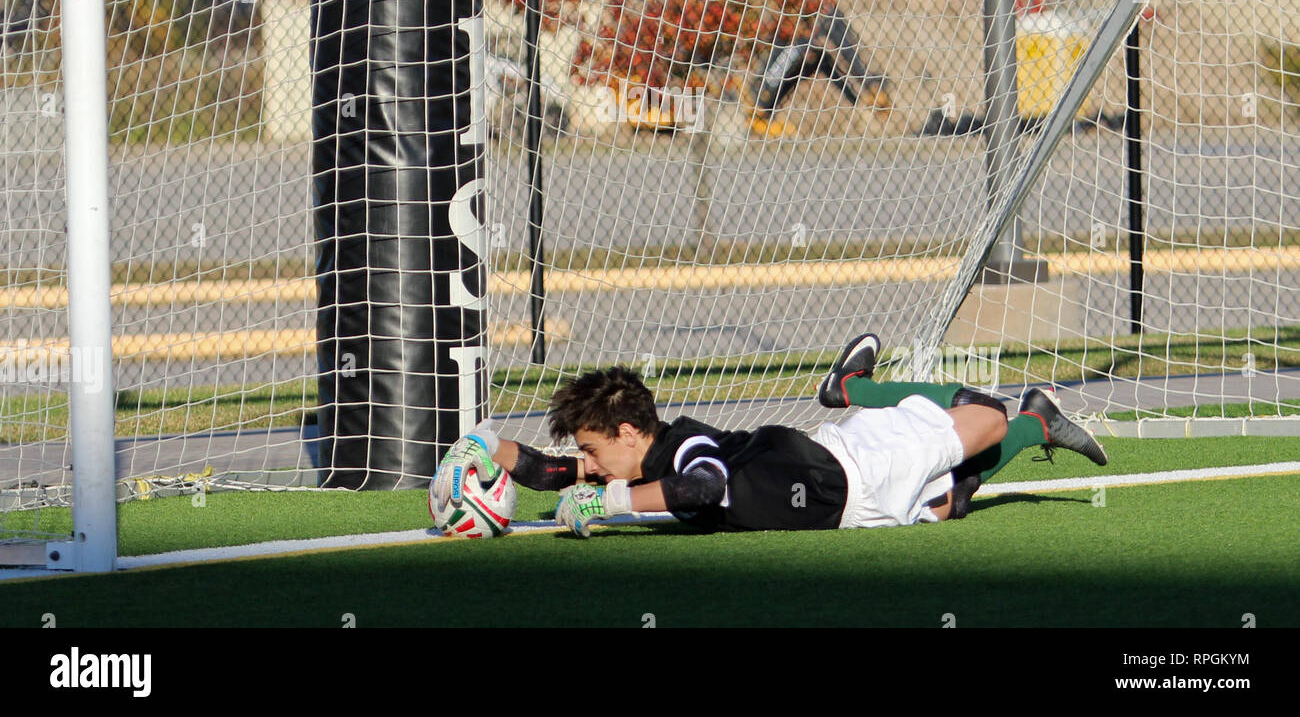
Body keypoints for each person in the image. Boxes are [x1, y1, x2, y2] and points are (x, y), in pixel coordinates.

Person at [432, 334, 1108, 536]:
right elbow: (549, 472)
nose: (586, 463)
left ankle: (853, 388)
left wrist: (608, 504)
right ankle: (1039, 421)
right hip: (847, 513)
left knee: (985, 417)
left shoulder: (683, 446)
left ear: (631, 432)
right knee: (949, 501)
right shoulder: (631, 465)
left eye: (592, 449)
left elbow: (704, 487)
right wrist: (485, 448)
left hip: (854, 466)